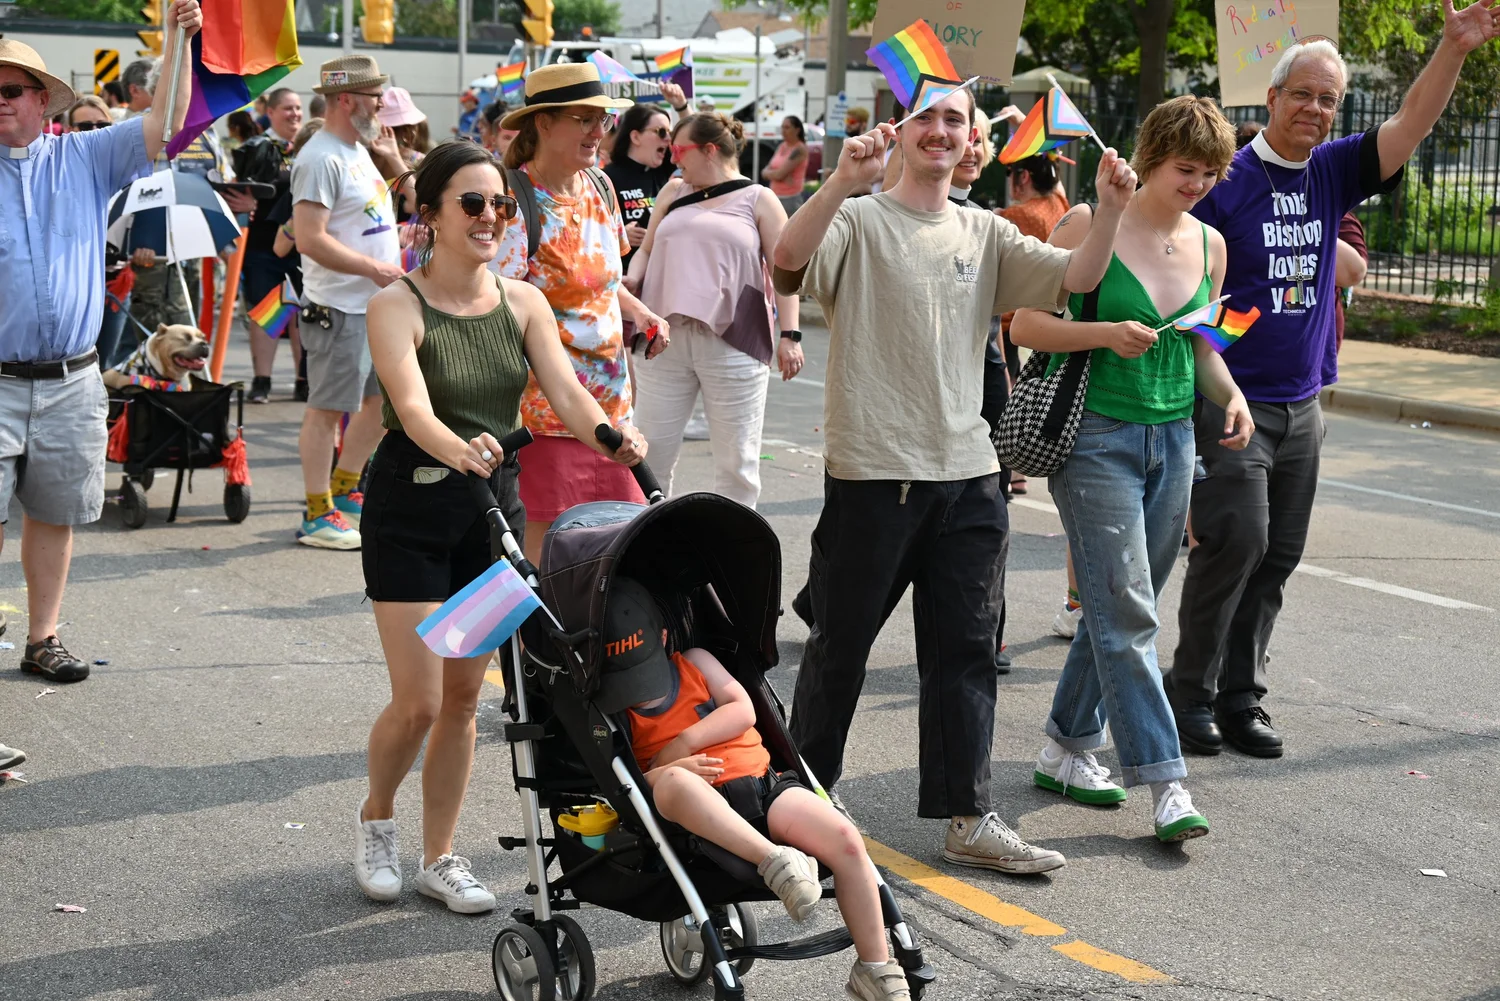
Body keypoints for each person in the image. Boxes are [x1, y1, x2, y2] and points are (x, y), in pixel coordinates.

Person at [771, 89, 1137, 874]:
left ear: (972, 139)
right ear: (900, 132)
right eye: (926, 118)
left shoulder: (987, 231)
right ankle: (805, 797)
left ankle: (967, 816)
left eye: (955, 121)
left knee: (966, 652)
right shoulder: (860, 220)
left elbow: (1076, 276)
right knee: (840, 648)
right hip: (873, 475)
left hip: (970, 477)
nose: (940, 132)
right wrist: (840, 181)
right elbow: (788, 263)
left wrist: (1108, 210)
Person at [1166, 12, 1500, 758]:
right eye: (1303, 95)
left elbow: (1410, 124)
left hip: (1304, 401)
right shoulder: (1226, 180)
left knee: (1278, 555)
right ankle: (1189, 692)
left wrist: (1452, 48)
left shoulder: (1333, 170)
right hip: (1231, 400)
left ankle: (1241, 697)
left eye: (1328, 99)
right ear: (1272, 98)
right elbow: (1186, 287)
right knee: (1237, 542)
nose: (1315, 110)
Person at [356, 140, 647, 913]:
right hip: (411, 509)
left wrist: (612, 435)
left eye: (501, 204)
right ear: (430, 213)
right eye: (473, 203)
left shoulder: (523, 302)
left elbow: (568, 393)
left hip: (492, 515)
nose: (490, 216)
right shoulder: (395, 305)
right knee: (418, 700)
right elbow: (412, 407)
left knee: (463, 698)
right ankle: (377, 817)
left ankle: (440, 856)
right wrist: (460, 448)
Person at [1012, 96, 1253, 842]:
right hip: (1095, 438)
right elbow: (1024, 325)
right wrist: (1104, 333)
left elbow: (1203, 346)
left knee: (1117, 610)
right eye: (1185, 168)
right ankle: (1166, 782)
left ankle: (1064, 746)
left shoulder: (1211, 243)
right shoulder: (1090, 223)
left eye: (1210, 173)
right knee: (1129, 613)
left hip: (1174, 440)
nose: (1197, 184)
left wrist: (1232, 396)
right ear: (1149, 159)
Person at [0, 4, 201, 685]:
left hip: (71, 380)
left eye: (11, 89)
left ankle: (43, 637)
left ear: (42, 101)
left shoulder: (82, 156)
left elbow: (167, 123)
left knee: (55, 514)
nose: (1, 101)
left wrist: (175, 37)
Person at [599, 577, 911, 1001]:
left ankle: (874, 967)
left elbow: (743, 710)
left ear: (665, 638)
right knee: (670, 782)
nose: (639, 694)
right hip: (699, 809)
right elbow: (633, 783)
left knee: (844, 838)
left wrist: (685, 741)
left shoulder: (694, 661)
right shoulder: (614, 709)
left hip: (765, 787)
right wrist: (671, 766)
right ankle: (774, 861)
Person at [493, 62, 671, 561]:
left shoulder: (600, 186)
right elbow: (499, 307)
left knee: (611, 559)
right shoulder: (513, 201)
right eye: (584, 119)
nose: (598, 131)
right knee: (546, 562)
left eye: (603, 120)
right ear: (543, 123)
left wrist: (642, 313)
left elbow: (603, 283)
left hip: (613, 414)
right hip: (546, 417)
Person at [627, 112, 803, 507]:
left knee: (737, 463)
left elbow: (785, 271)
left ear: (709, 150)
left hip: (734, 342)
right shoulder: (673, 191)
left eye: (679, 150)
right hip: (663, 340)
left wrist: (790, 336)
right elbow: (646, 249)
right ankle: (646, 538)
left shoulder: (759, 198)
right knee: (649, 458)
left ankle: (735, 543)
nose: (673, 158)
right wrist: (632, 280)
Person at [290, 55, 408, 550]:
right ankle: (317, 511)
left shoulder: (356, 149)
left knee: (382, 404)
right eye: (374, 96)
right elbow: (309, 238)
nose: (382, 104)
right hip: (340, 307)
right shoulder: (320, 157)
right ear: (346, 99)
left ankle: (345, 488)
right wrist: (373, 269)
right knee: (326, 409)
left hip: (372, 305)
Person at [236, 86, 305, 403]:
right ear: (271, 112)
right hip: (263, 245)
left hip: (304, 245)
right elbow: (240, 192)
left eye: (298, 108)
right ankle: (261, 381)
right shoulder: (256, 148)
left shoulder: (310, 146)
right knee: (266, 311)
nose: (295, 114)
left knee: (303, 313)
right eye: (288, 108)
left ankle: (304, 379)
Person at [604, 101, 675, 269]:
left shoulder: (662, 171)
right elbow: (590, 233)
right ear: (635, 137)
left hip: (661, 270)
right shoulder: (606, 178)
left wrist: (681, 105)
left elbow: (697, 143)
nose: (668, 139)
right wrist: (619, 235)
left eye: (670, 132)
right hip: (624, 274)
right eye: (661, 132)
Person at [762, 115, 809, 215]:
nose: (783, 131)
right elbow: (766, 170)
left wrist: (771, 173)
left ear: (797, 130)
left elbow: (779, 174)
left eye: (787, 127)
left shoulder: (799, 149)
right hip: (775, 196)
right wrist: (773, 173)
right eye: (782, 127)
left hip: (790, 200)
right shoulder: (782, 146)